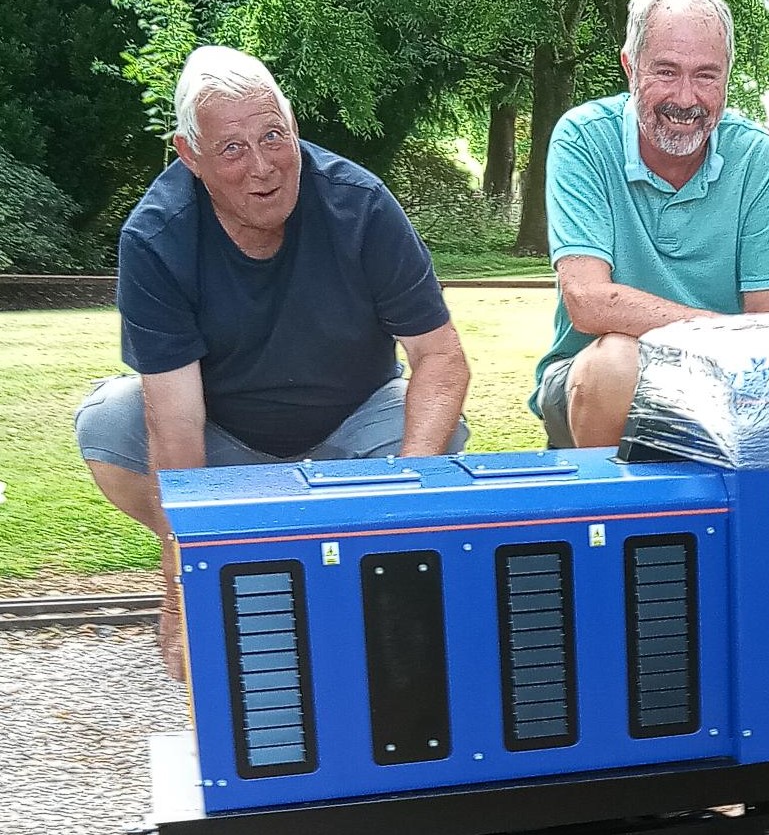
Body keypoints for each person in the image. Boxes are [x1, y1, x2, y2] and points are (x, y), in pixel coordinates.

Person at [74, 45, 471, 679]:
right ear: (190, 157)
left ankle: (365, 565)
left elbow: (441, 358)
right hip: (228, 443)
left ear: (293, 128)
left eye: (274, 137)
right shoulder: (155, 237)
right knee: (107, 422)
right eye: (232, 149)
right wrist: (180, 598)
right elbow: (175, 428)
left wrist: (406, 491)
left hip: (353, 432)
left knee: (437, 428)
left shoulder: (360, 204)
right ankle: (233, 565)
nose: (264, 167)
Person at [530, 0, 769, 448]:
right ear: (630, 68)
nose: (685, 98)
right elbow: (588, 303)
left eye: (705, 75)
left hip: (717, 381)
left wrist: (719, 349)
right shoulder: (583, 137)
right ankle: (609, 514)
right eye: (666, 71)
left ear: (727, 77)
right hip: (589, 377)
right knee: (618, 361)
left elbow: (768, 328)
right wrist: (720, 331)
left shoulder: (758, 158)